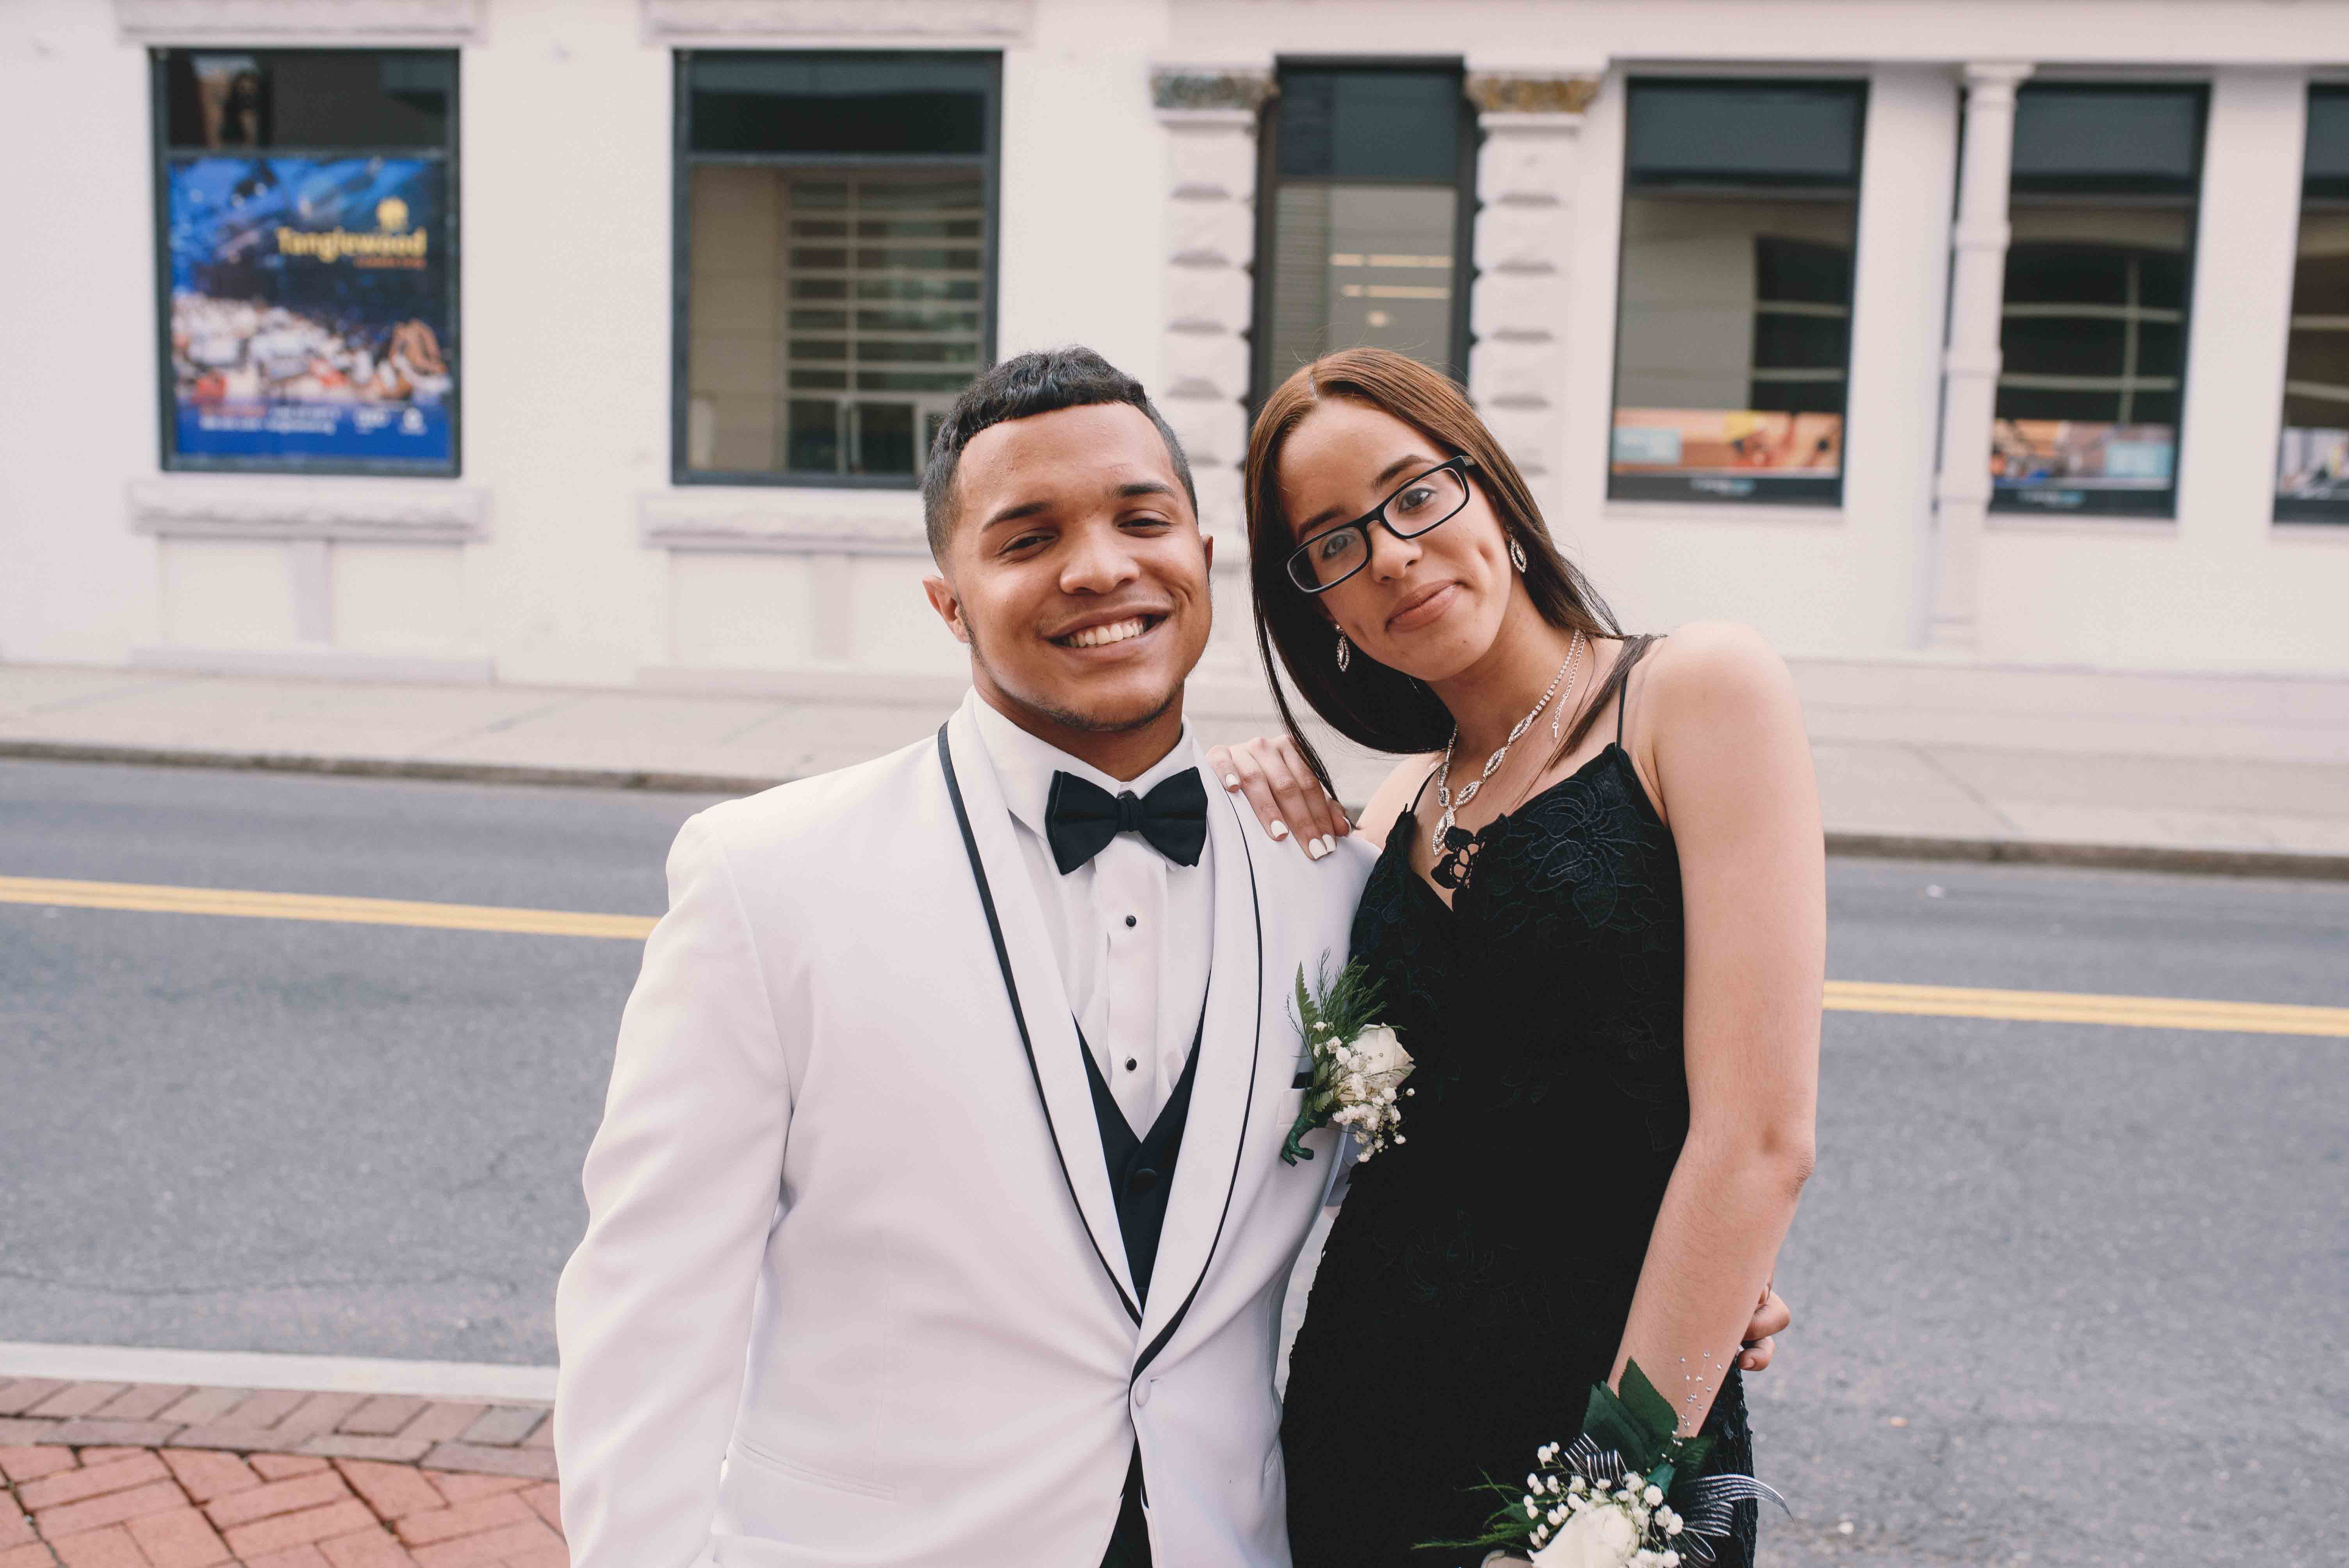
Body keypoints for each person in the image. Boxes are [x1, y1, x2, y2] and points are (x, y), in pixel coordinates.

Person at [553, 345, 1789, 1568]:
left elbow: (1479, 1147)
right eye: (1027, 538)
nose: (1100, 569)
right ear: (949, 600)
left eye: (1141, 520)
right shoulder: (769, 877)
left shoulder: (1328, 888)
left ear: (1199, 564)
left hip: (1256, 1530)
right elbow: (648, 1321)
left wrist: (1693, 1284)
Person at [1210, 347, 1822, 1567]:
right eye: (1332, 542)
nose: (1390, 553)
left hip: (1607, 1444)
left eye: (1414, 495)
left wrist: (1606, 1505)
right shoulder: (1385, 818)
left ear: (1485, 486)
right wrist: (1237, 785)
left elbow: (1759, 1141)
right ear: (1319, 608)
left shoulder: (1691, 696)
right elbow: (1298, 1144)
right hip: (1362, 1423)